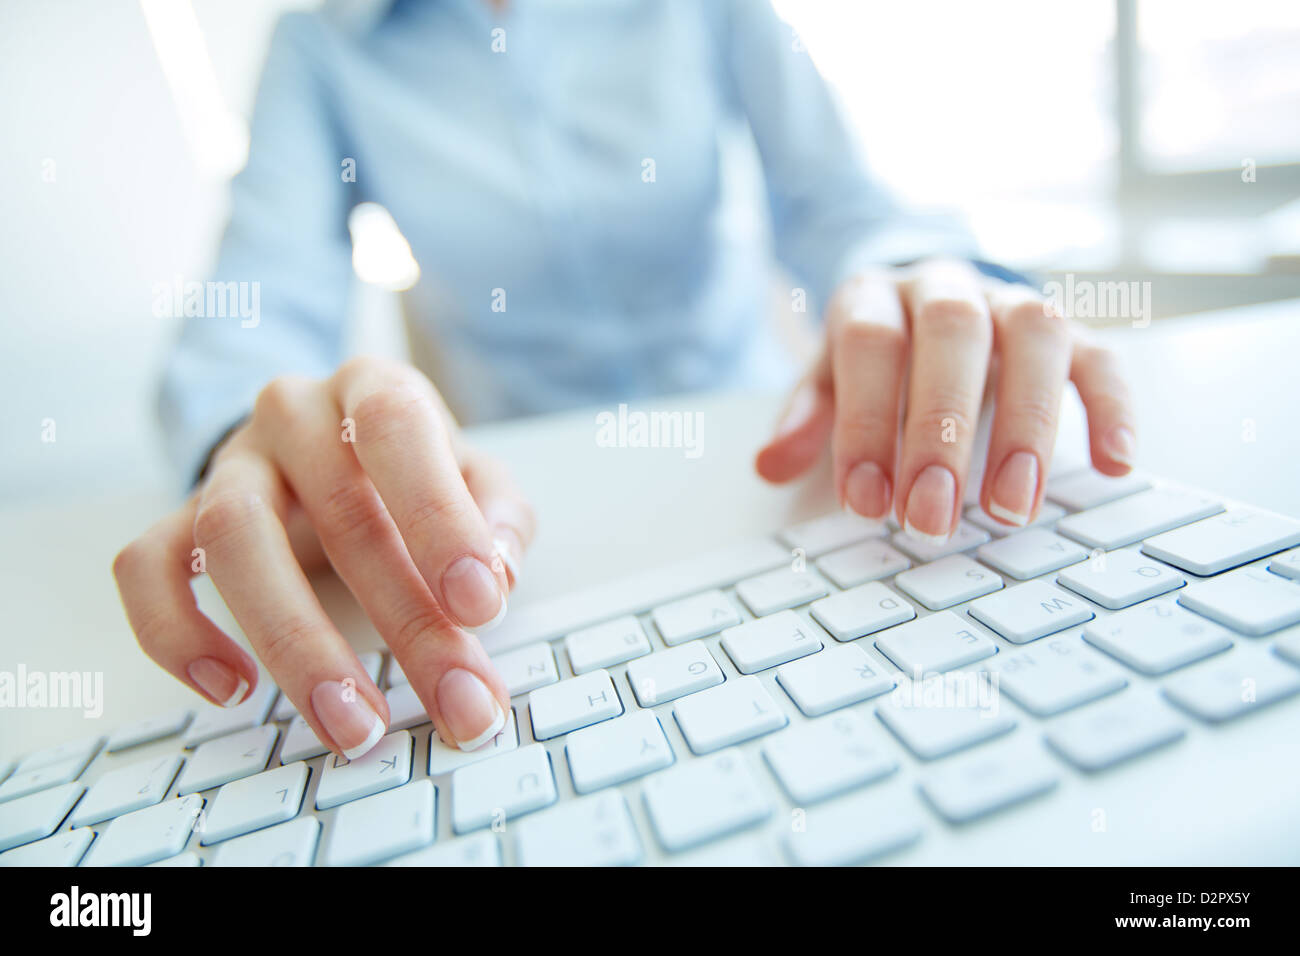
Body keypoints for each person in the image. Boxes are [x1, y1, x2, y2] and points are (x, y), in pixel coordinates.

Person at [113, 0, 1134, 761]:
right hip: (535, 544)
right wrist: (242, 447)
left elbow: (838, 204)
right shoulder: (324, 44)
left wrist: (919, 278)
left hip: (770, 481)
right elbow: (256, 307)